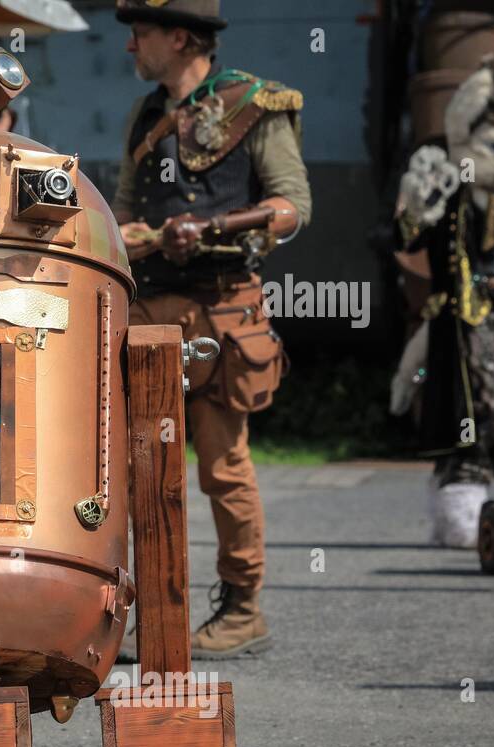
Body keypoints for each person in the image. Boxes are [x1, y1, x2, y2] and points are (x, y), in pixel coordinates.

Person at [112, 0, 312, 659]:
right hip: (153, 311)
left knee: (223, 469)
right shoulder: (145, 116)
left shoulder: (257, 104)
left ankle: (243, 607)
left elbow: (291, 207)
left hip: (226, 310)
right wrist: (133, 238)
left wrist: (217, 228)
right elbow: (124, 217)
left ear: (178, 37)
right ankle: (156, 610)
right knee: (143, 467)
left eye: (139, 34)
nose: (129, 48)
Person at [394, 37, 494, 548]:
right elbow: (408, 239)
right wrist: (415, 208)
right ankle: (465, 498)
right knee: (471, 407)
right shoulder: (446, 171)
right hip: (463, 314)